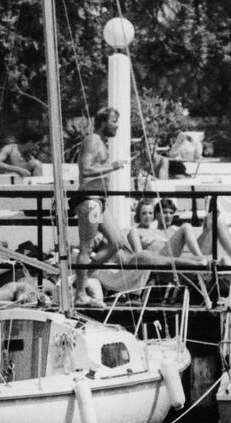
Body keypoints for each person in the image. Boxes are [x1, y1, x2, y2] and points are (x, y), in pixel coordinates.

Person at [71, 107, 130, 307]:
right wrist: (112, 167)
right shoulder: (92, 140)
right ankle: (80, 293)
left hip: (99, 202)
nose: (117, 126)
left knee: (117, 241)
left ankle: (81, 278)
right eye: (114, 121)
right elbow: (85, 170)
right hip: (89, 200)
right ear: (103, 122)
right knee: (87, 246)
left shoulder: (102, 143)